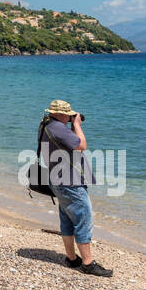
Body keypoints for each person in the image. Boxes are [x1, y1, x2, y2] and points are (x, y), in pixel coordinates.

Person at [40, 99, 112, 277]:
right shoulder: (57, 128)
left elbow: (69, 144)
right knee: (83, 220)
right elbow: (81, 145)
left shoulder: (47, 125)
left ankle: (72, 259)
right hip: (69, 182)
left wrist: (71, 126)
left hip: (58, 179)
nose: (70, 117)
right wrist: (78, 125)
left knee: (67, 220)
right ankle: (87, 264)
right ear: (61, 114)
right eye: (68, 114)